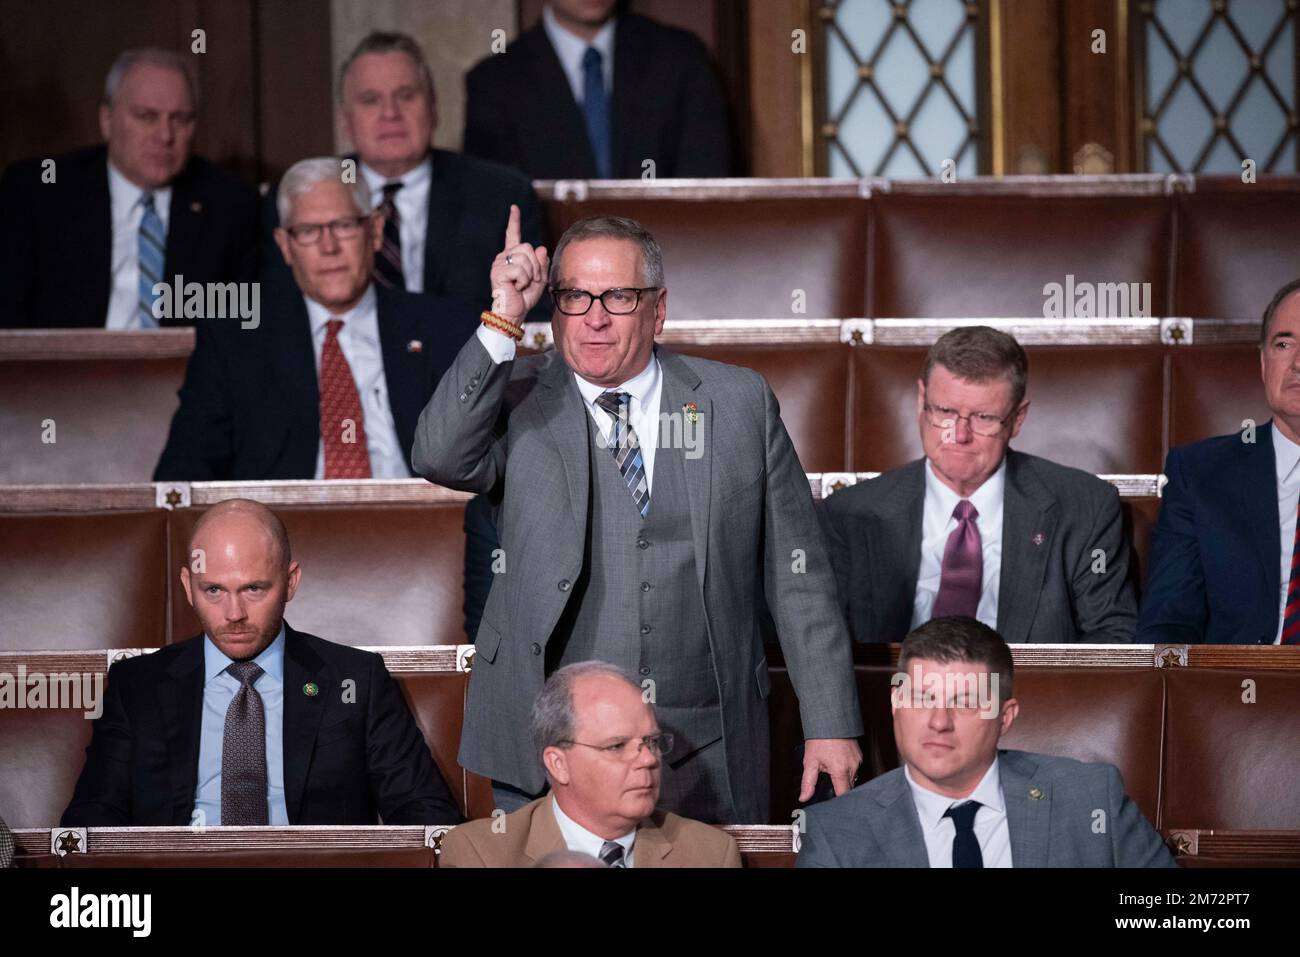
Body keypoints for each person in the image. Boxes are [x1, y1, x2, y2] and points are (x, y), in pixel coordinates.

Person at [412, 208, 862, 824]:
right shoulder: (516, 402)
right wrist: (504, 316)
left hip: (708, 745)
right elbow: (438, 455)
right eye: (574, 296)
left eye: (618, 296)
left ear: (658, 308)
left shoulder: (738, 404)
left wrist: (830, 723)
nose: (594, 317)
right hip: (554, 750)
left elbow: (798, 578)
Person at [62, 499, 459, 827]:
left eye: (254, 588)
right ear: (188, 587)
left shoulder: (355, 679)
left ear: (291, 583)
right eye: (213, 590)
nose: (233, 613)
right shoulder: (138, 686)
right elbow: (92, 821)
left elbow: (425, 814)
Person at [154, 157, 479, 481]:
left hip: (421, 523)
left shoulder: (445, 330)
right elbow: (182, 474)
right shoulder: (232, 343)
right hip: (283, 525)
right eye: (308, 231)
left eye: (344, 225)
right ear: (285, 246)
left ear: (375, 231)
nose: (328, 247)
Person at [823, 326, 1137, 643]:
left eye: (983, 417)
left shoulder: (1085, 508)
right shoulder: (849, 515)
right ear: (921, 401)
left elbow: (1112, 638)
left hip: (1028, 692)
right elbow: (821, 642)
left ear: (1017, 419)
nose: (959, 435)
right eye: (945, 411)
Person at [797, 616, 1176, 868]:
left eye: (964, 702)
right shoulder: (837, 832)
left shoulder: (1092, 800)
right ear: (897, 703)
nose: (939, 721)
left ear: (1005, 718)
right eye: (923, 698)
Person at [260, 32, 545, 319]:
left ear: (434, 108)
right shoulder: (301, 199)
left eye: (406, 95)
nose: (390, 113)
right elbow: (280, 314)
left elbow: (533, 318)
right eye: (371, 100)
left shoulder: (500, 194)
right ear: (345, 121)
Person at [0, 47, 257, 329]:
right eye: (147, 116)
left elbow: (244, 321)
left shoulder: (230, 204)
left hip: (185, 369)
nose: (165, 136)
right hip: (65, 368)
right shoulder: (38, 193)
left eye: (180, 120)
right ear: (107, 120)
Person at [440, 662, 740, 867]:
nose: (649, 760)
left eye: (651, 742)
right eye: (617, 746)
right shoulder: (481, 854)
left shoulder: (710, 853)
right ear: (558, 764)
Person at [1140, 278, 1300, 644]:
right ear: (1263, 363)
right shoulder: (1200, 474)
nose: (1298, 363)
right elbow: (1168, 625)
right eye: (1284, 344)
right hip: (1238, 692)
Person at [464, 0, 732, 180]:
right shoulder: (493, 83)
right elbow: (492, 211)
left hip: (671, 258)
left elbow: (708, 187)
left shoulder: (680, 57)